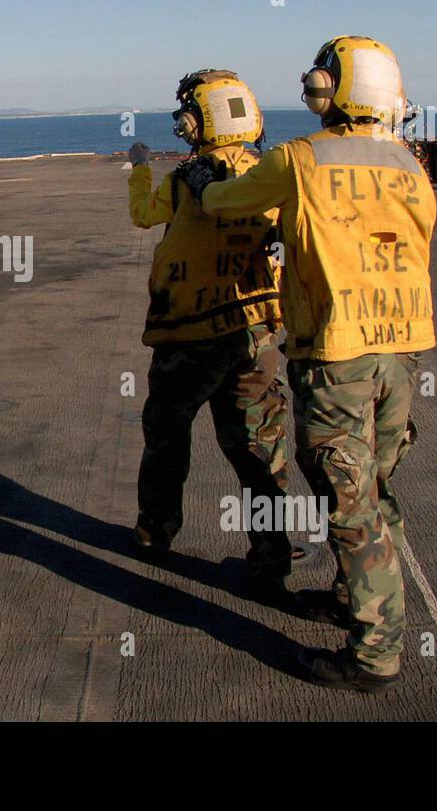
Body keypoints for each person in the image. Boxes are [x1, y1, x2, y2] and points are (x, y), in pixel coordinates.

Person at [182, 36, 436, 694]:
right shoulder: (409, 163)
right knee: (374, 489)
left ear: (332, 88)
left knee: (349, 507)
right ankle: (356, 602)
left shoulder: (301, 158)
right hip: (403, 351)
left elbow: (224, 205)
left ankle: (374, 656)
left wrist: (211, 175)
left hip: (338, 355)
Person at [126, 70, 293, 604]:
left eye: (187, 115)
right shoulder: (273, 177)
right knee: (259, 449)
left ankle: (156, 535)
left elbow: (140, 216)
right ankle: (271, 561)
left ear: (203, 119)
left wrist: (138, 169)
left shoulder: (185, 181)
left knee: (168, 437)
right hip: (255, 333)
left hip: (188, 337)